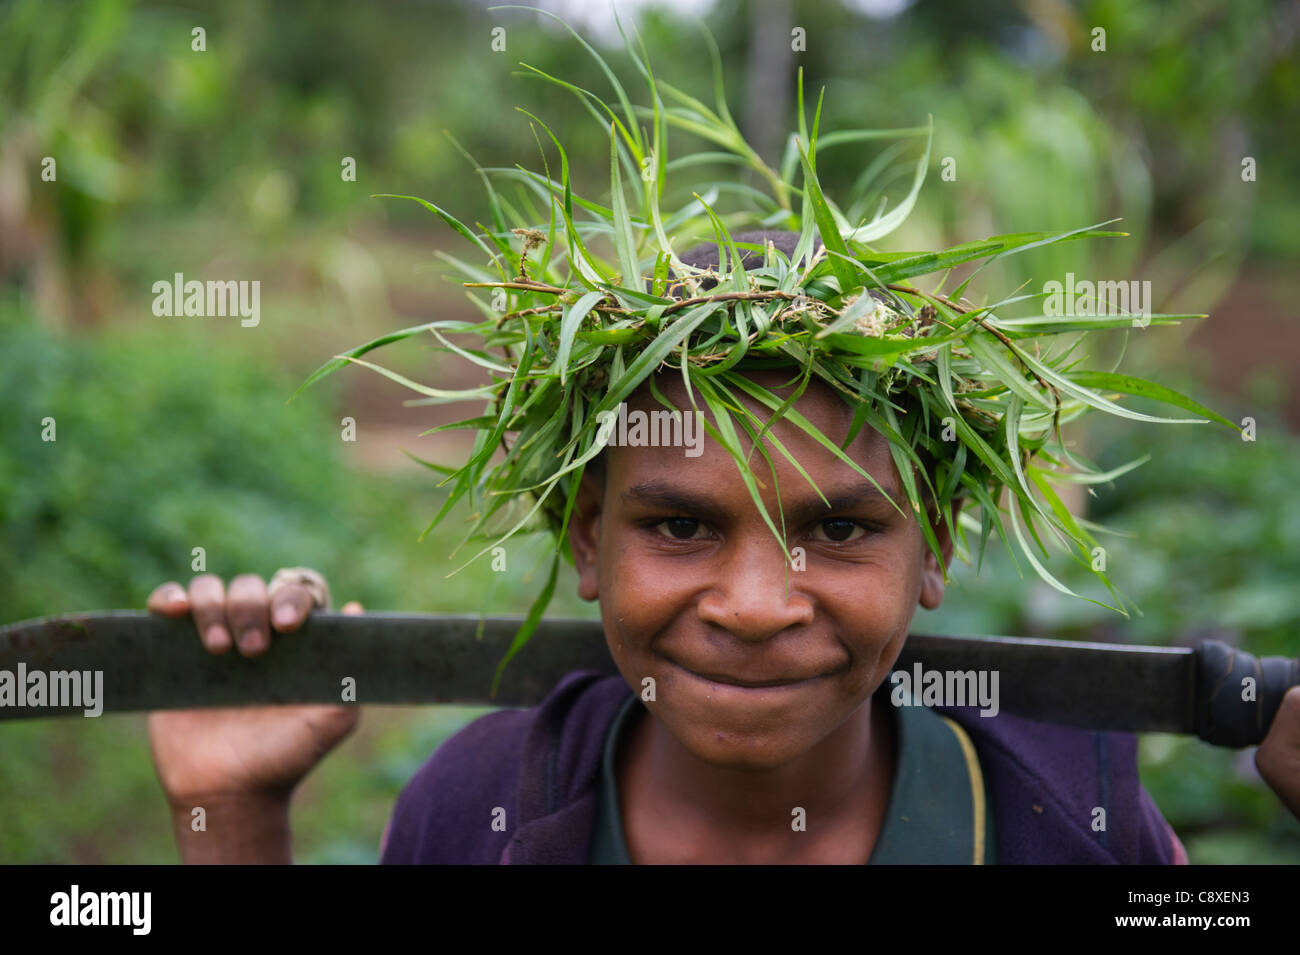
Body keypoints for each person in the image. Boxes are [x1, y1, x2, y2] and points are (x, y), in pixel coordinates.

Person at [145, 233, 1300, 864]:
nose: (754, 603)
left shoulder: (1069, 813)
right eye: (681, 525)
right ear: (585, 539)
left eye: (839, 529)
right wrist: (233, 817)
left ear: (935, 549)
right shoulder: (482, 806)